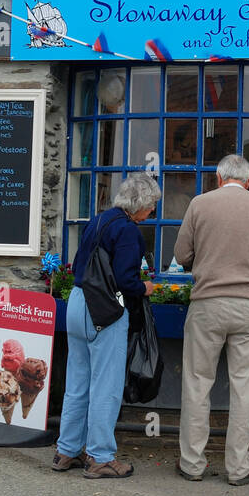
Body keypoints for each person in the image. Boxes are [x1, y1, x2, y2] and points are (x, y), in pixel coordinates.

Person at [174, 154, 249, 485]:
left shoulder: (199, 205)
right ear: (248, 181)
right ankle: (238, 467)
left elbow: (181, 256)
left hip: (207, 304)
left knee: (197, 382)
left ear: (218, 178)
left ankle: (192, 463)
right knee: (245, 387)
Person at [53, 173, 160, 479]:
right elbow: (126, 280)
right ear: (140, 204)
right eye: (151, 206)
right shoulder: (128, 231)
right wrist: (146, 288)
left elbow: (80, 264)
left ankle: (66, 451)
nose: (152, 212)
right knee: (106, 386)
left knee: (77, 382)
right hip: (104, 310)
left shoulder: (98, 220)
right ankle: (100, 456)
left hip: (77, 301)